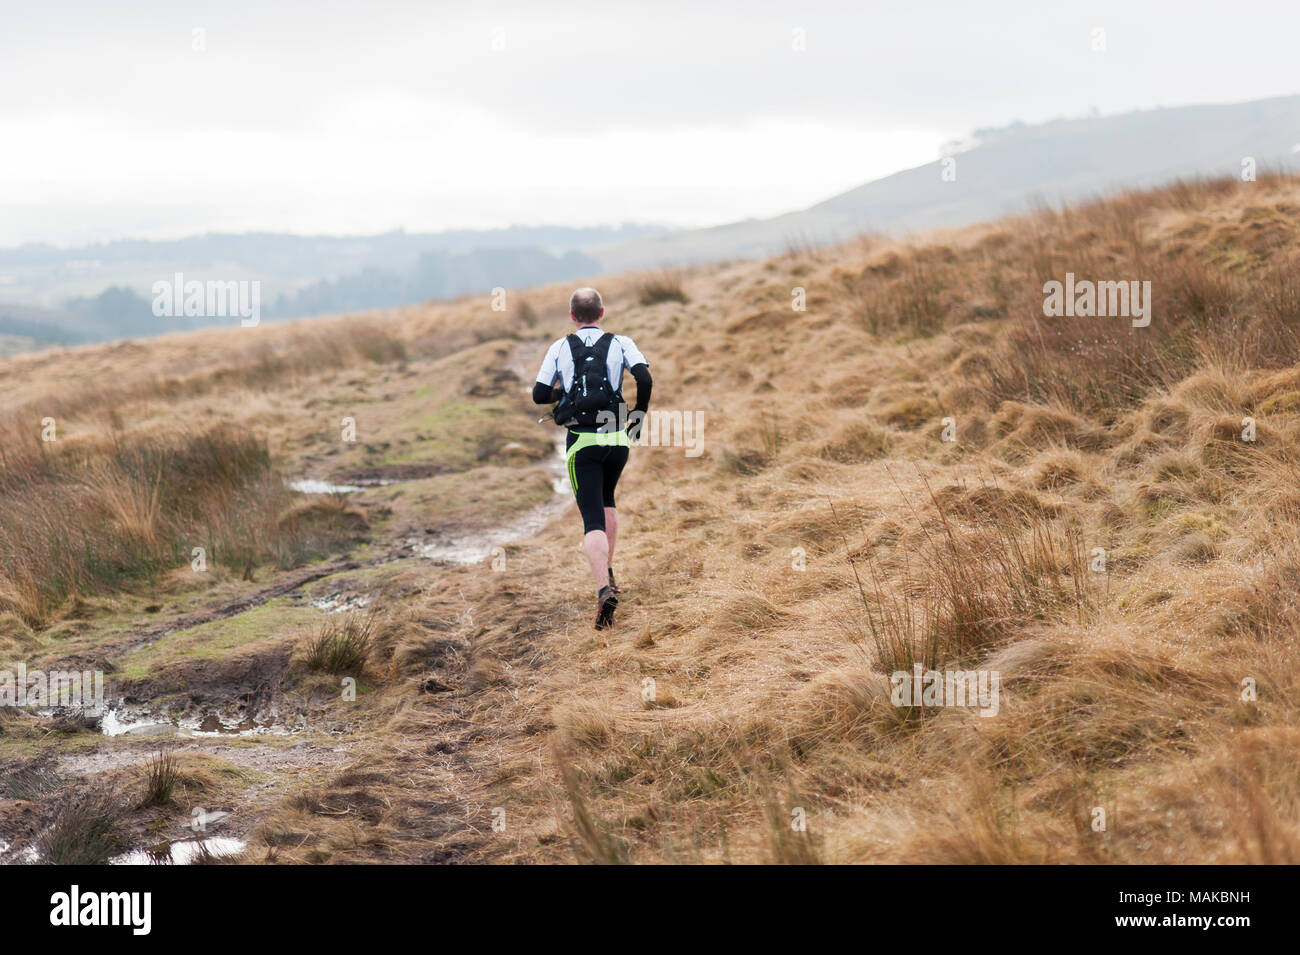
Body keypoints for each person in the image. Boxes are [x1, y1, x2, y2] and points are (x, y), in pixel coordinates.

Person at [533, 287, 652, 629]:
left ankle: (603, 589)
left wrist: (565, 394)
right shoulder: (621, 342)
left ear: (572, 316)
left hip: (582, 441)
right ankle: (609, 573)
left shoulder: (559, 347)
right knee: (607, 499)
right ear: (603, 312)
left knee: (591, 518)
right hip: (617, 438)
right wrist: (639, 414)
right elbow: (644, 377)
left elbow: (539, 394)